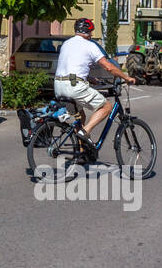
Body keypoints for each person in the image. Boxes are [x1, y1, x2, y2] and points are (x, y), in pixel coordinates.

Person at [54, 18, 136, 161]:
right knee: (107, 107)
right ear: (87, 32)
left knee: (80, 116)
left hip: (59, 85)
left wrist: (90, 79)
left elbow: (73, 66)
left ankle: (80, 152)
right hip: (74, 86)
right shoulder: (90, 45)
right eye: (91, 32)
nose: (91, 35)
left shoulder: (66, 43)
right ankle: (85, 131)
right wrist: (126, 77)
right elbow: (108, 67)